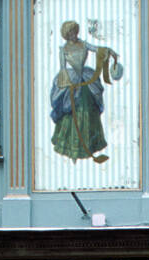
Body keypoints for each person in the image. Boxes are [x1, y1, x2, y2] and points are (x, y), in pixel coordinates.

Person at [50, 19, 122, 163]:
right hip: (71, 81)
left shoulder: (83, 44)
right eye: (70, 32)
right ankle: (73, 151)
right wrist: (68, 84)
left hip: (86, 80)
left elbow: (96, 49)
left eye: (74, 31)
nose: (73, 34)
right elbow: (63, 69)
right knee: (71, 114)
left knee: (89, 113)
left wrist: (109, 51)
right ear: (66, 34)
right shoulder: (63, 50)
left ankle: (90, 146)